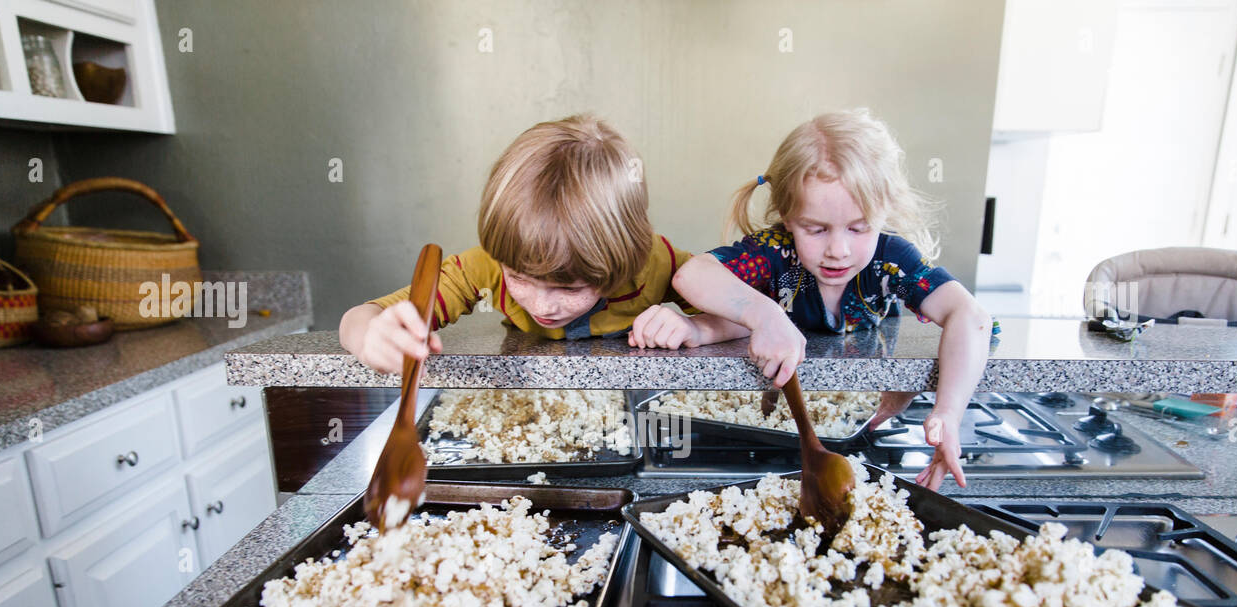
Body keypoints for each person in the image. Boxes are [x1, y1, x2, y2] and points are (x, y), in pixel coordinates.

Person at [628, 108, 993, 491]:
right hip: (765, 433)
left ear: (885, 212)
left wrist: (948, 412)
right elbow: (693, 274)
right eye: (816, 229)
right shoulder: (776, 253)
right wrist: (729, 322)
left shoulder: (891, 260)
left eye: (858, 227)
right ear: (787, 216)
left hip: (862, 419)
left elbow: (970, 316)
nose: (838, 249)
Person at [340, 115, 699, 374]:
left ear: (625, 261)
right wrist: (370, 335)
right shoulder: (486, 265)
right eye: (521, 279)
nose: (542, 304)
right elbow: (357, 318)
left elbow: (751, 309)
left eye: (569, 287)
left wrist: (701, 327)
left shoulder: (658, 264)